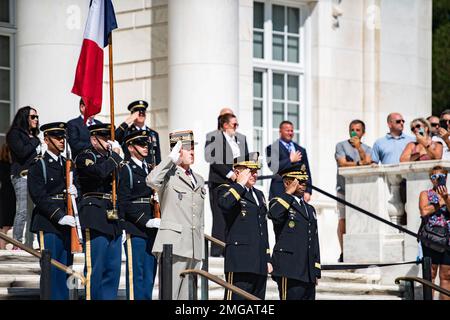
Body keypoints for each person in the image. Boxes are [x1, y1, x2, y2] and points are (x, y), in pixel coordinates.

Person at [146, 131, 205, 300]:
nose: (192, 151)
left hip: (193, 246)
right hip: (173, 245)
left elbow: (199, 217)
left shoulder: (199, 179)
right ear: (177, 151)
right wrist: (170, 159)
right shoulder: (168, 174)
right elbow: (151, 180)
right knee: (170, 295)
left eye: (193, 148)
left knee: (187, 300)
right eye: (187, 148)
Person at [27, 122, 79, 300]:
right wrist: (59, 216)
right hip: (48, 221)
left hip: (68, 220)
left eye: (63, 137)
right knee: (52, 269)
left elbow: (77, 184)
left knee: (66, 268)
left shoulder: (68, 164)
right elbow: (38, 196)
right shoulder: (38, 164)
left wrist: (76, 191)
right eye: (57, 137)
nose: (62, 140)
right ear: (46, 139)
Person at [75, 123, 123, 300]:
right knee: (96, 266)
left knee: (113, 268)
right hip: (95, 214)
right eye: (104, 138)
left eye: (109, 138)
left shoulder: (112, 158)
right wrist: (115, 158)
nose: (108, 142)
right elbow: (97, 173)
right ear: (94, 139)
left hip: (113, 215)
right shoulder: (86, 157)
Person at [217, 152, 271, 300]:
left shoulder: (259, 194)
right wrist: (239, 184)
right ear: (237, 172)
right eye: (250, 171)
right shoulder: (226, 189)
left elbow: (263, 229)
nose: (254, 175)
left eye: (255, 171)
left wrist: (267, 257)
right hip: (240, 261)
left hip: (259, 261)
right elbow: (225, 204)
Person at [268, 164, 321, 300]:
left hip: (307, 272)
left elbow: (314, 240)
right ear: (287, 182)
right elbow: (274, 214)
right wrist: (288, 193)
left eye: (304, 182)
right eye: (299, 182)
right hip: (289, 269)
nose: (303, 185)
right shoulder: (279, 201)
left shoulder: (310, 209)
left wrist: (315, 270)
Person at [119, 130, 160, 300]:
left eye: (147, 144)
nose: (146, 147)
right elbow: (124, 202)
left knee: (150, 273)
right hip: (135, 228)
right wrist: (145, 221)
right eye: (141, 144)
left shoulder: (150, 169)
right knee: (137, 273)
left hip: (152, 227)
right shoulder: (126, 169)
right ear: (130, 148)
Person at [205, 112, 248, 257]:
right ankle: (217, 251)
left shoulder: (241, 139)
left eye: (237, 124)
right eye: (234, 124)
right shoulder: (214, 137)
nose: (236, 127)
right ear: (225, 125)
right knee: (219, 218)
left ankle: (231, 249)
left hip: (237, 183)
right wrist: (231, 174)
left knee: (234, 217)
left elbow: (245, 158)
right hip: (220, 183)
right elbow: (213, 159)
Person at [335, 120, 372, 262]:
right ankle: (344, 252)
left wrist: (359, 149)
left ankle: (357, 250)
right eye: (352, 129)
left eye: (357, 130)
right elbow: (342, 163)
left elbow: (368, 161)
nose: (354, 132)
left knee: (360, 221)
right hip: (343, 188)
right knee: (343, 220)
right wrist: (358, 163)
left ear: (363, 132)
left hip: (361, 191)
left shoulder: (367, 148)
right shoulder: (341, 145)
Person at [6, 106, 41, 248]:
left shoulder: (34, 137)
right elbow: (21, 152)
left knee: (34, 210)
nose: (36, 120)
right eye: (33, 117)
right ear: (24, 117)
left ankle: (30, 242)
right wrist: (34, 141)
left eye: (37, 117)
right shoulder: (14, 134)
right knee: (22, 209)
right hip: (21, 175)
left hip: (34, 177)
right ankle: (17, 242)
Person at [418, 166, 450, 300]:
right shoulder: (425, 194)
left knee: (446, 275)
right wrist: (441, 202)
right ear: (430, 179)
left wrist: (445, 198)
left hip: (447, 239)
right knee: (430, 273)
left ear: (446, 178)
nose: (437, 180)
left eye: (440, 177)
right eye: (433, 177)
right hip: (430, 238)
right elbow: (424, 211)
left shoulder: (448, 196)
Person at [266, 121, 312, 201]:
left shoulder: (301, 149)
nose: (290, 133)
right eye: (287, 130)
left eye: (291, 131)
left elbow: (306, 171)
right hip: (279, 189)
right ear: (280, 131)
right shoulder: (272, 148)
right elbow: (273, 167)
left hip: (298, 191)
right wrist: (290, 160)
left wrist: (308, 191)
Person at [115, 100, 161, 166]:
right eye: (138, 112)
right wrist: (127, 122)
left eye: (143, 112)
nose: (141, 114)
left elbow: (157, 156)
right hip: (132, 169)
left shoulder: (153, 133)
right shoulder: (127, 132)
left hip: (149, 170)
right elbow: (114, 138)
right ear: (132, 114)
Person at [0, 144, 16, 249]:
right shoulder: (8, 166)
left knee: (5, 223)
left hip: (5, 194)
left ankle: (2, 245)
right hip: (7, 195)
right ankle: (2, 245)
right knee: (5, 222)